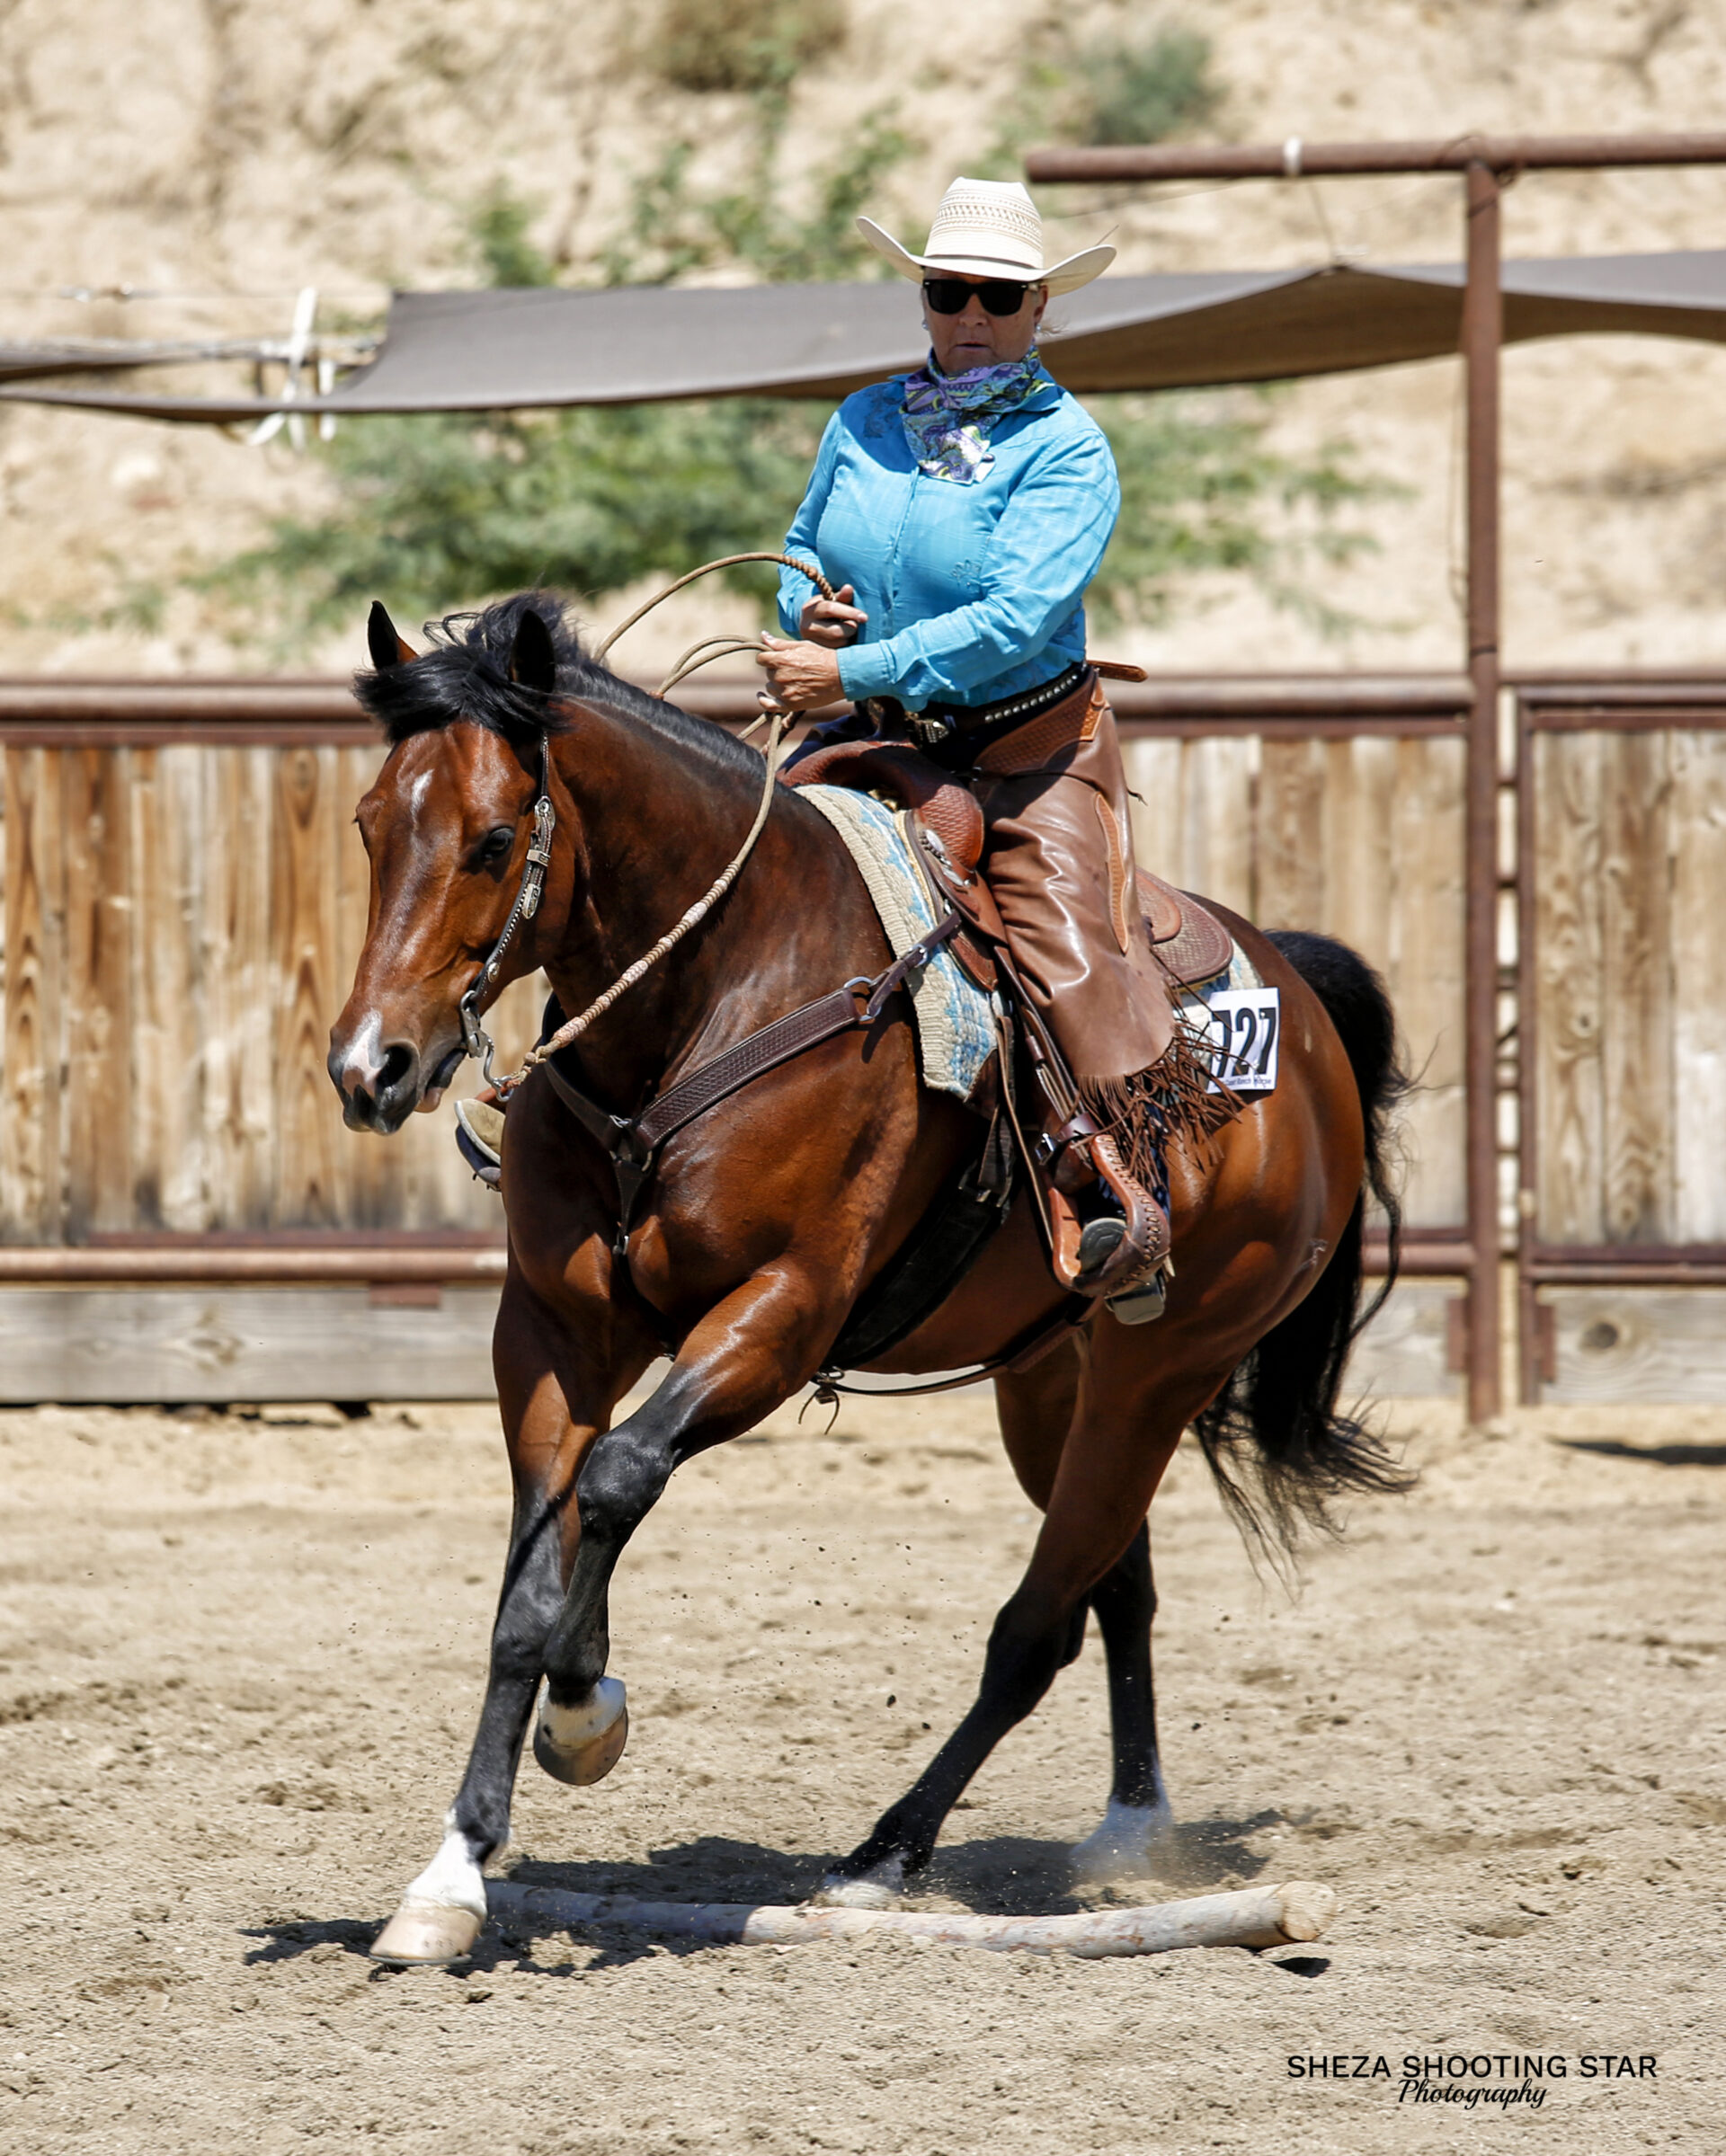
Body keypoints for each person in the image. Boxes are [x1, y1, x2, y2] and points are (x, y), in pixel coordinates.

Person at [757, 176, 1177, 1310]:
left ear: (1041, 305)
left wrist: (848, 670)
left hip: (1021, 757)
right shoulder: (863, 418)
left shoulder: (1069, 449)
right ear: (926, 299)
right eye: (950, 292)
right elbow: (805, 547)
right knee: (712, 870)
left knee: (1072, 959)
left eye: (997, 295)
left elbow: (1013, 623)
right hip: (875, 735)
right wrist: (817, 612)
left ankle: (1114, 1188)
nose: (970, 316)